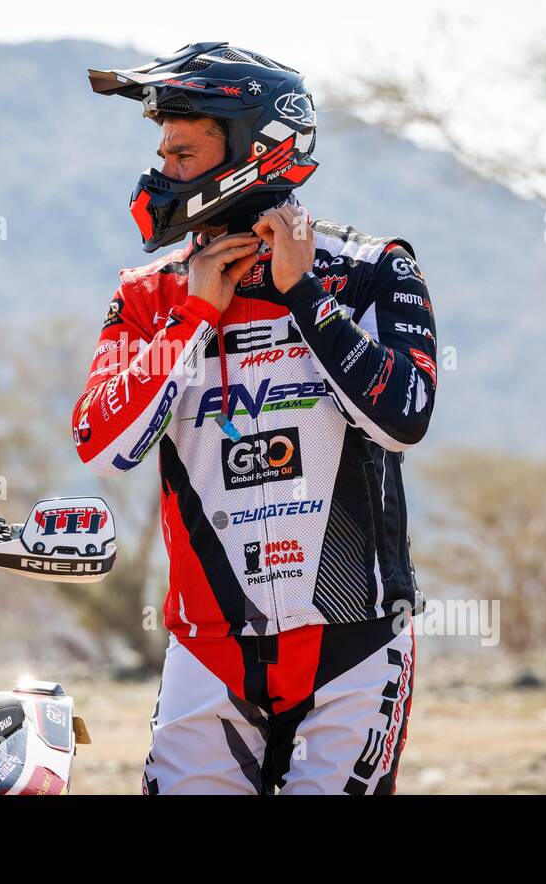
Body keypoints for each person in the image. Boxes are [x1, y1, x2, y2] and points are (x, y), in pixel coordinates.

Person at [75, 43, 438, 794]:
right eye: (161, 152)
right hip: (208, 649)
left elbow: (404, 417)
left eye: (182, 152)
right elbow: (103, 445)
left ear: (254, 152)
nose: (160, 173)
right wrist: (194, 314)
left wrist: (305, 296)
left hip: (352, 642)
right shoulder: (149, 295)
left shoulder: (374, 267)